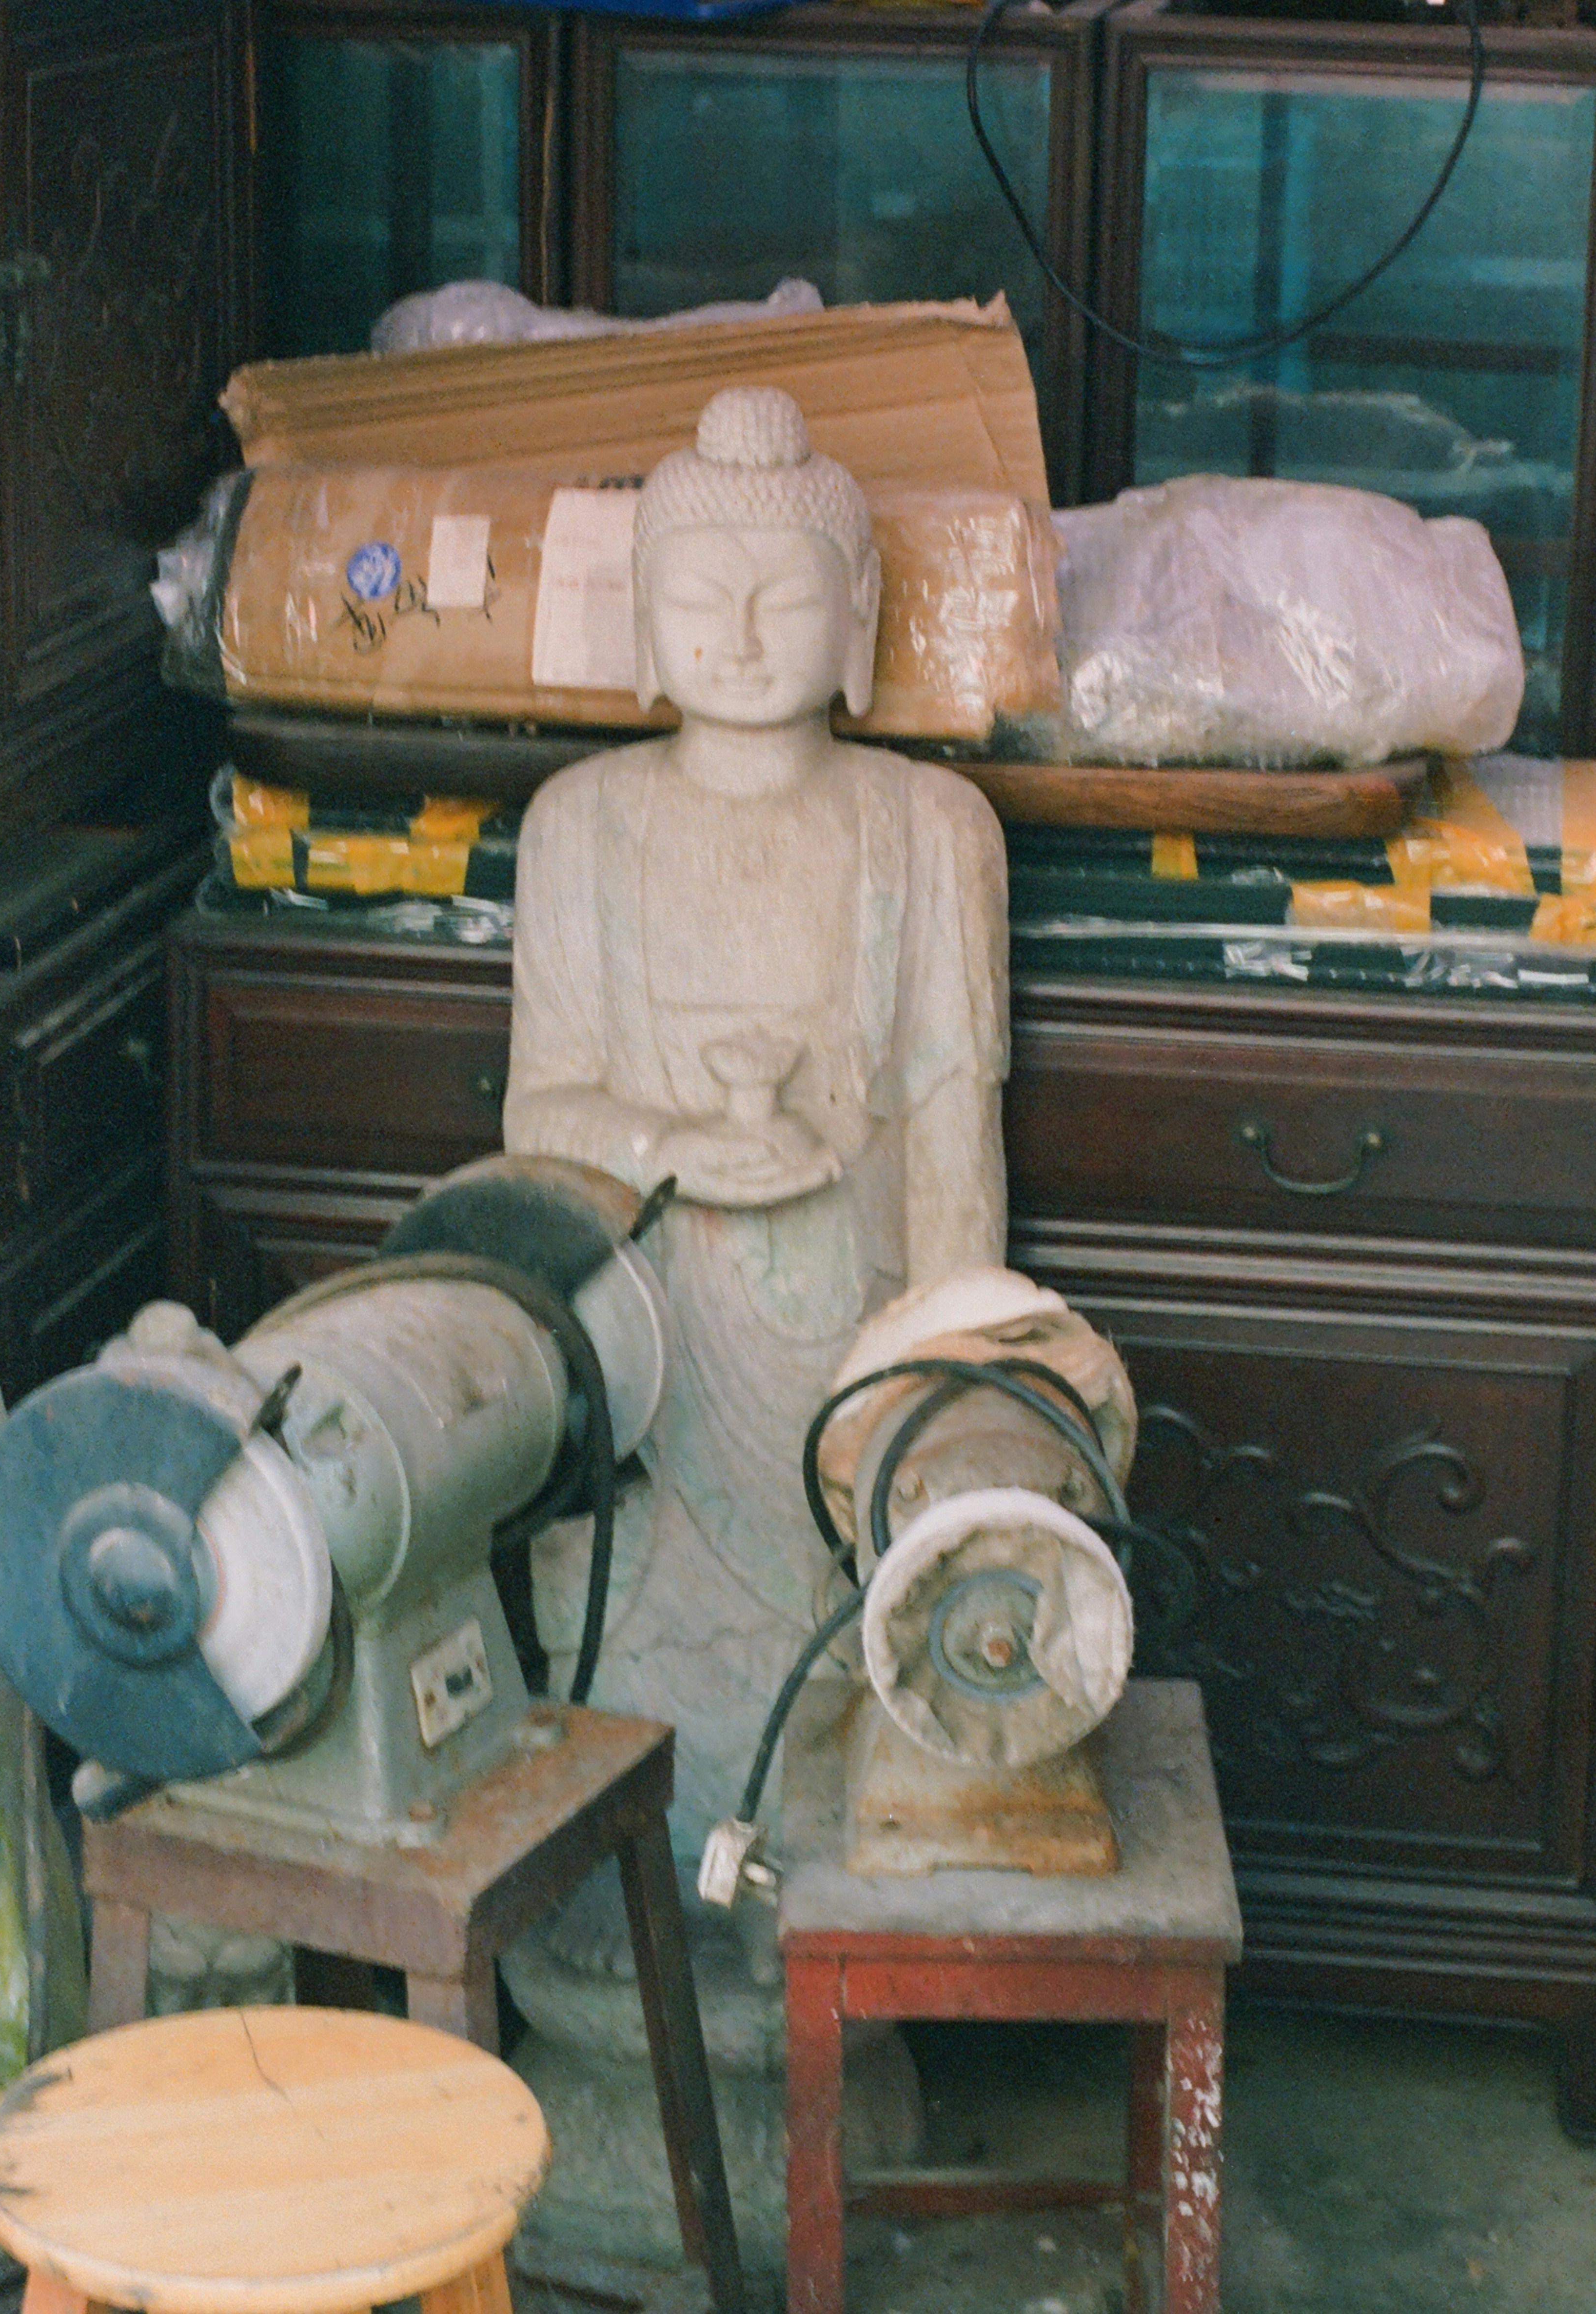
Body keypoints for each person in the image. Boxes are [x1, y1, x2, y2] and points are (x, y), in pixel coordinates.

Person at [504, 384, 1011, 1856]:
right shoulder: (577, 825)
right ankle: (641, 1923)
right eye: (694, 600)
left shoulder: (929, 829)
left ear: (859, 618)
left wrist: (955, 1383)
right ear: (641, 625)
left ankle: (828, 1940)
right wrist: (673, 1146)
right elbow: (540, 1115)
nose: (735, 639)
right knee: (635, 1675)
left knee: (851, 1680)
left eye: (782, 600)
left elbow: (953, 1140)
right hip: (650, 1340)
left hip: (854, 1347)